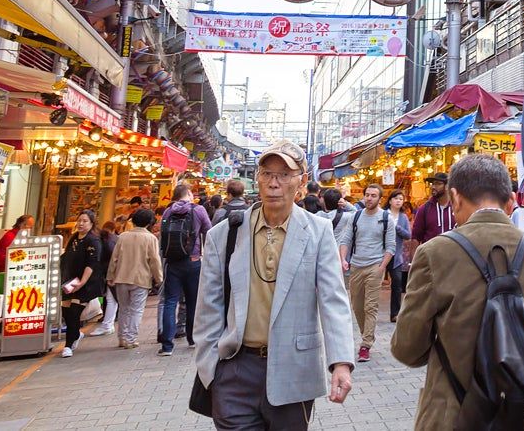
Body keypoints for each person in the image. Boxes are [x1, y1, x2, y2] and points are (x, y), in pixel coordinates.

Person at [392, 153, 524, 430]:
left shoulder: (435, 253)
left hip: (453, 414)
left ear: (456, 197)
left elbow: (408, 348)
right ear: (511, 201)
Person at [193, 140, 353, 431]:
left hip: (295, 370)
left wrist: (340, 362)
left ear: (301, 181)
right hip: (235, 370)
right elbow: (208, 306)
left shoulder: (318, 232)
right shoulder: (225, 234)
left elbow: (333, 300)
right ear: (258, 178)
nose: (274, 183)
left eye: (284, 175)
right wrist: (211, 369)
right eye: (267, 174)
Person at [335, 183, 401, 362]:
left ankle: (365, 345)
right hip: (356, 265)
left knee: (370, 307)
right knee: (356, 306)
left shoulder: (386, 218)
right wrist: (343, 259)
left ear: (380, 199)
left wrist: (382, 266)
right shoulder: (355, 217)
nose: (369, 198)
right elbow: (345, 239)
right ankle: (368, 335)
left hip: (375, 266)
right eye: (367, 195)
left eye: (373, 195)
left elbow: (391, 246)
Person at [157, 182, 212, 355]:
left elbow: (163, 235)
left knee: (170, 301)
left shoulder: (167, 211)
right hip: (193, 261)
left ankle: (167, 345)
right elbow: (209, 232)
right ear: (188, 193)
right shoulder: (198, 210)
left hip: (173, 263)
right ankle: (192, 338)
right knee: (192, 301)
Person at [105, 208, 162, 348]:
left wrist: (110, 275)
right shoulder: (150, 238)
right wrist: (159, 278)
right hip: (141, 279)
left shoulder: (123, 236)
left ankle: (122, 337)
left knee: (124, 308)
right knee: (137, 309)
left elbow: (114, 258)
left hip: (122, 277)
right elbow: (154, 260)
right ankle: (131, 338)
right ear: (150, 222)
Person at [59, 210, 104, 358]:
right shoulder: (74, 238)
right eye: (79, 220)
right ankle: (76, 334)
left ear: (92, 224)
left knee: (74, 313)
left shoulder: (93, 241)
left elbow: (92, 263)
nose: (81, 223)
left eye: (85, 221)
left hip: (84, 283)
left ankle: (68, 345)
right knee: (65, 311)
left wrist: (83, 281)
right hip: (69, 282)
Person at [87, 214, 126, 338]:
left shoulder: (100, 240)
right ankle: (108, 325)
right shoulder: (110, 238)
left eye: (84, 221)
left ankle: (109, 326)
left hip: (111, 273)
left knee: (112, 299)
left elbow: (108, 259)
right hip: (114, 272)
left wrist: (110, 274)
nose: (80, 224)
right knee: (112, 299)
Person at [408, 172, 455, 248]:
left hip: (453, 256)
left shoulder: (456, 207)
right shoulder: (424, 209)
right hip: (430, 257)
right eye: (432, 184)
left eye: (438, 184)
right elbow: (415, 237)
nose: (433, 187)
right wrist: (414, 259)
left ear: (447, 186)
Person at [386, 191, 412, 323]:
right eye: (395, 198)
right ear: (390, 200)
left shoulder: (403, 217)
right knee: (372, 282)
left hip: (396, 255)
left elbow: (408, 235)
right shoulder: (383, 214)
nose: (398, 201)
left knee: (397, 283)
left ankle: (395, 313)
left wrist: (396, 227)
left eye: (401, 199)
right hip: (381, 254)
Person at [0, 213, 32, 287]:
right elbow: (3, 259)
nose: (30, 230)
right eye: (30, 227)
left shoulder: (17, 237)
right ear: (22, 225)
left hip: (4, 277)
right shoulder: (11, 237)